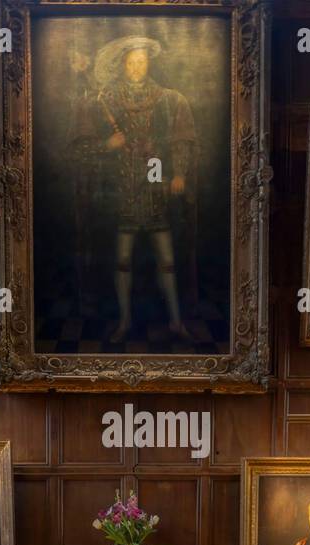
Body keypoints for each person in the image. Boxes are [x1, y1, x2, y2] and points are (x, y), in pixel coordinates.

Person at [76, 35, 197, 344]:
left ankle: (175, 321)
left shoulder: (168, 98)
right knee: (123, 259)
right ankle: (124, 320)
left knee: (167, 260)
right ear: (124, 65)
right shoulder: (108, 98)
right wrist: (109, 144)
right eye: (131, 62)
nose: (136, 67)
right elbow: (82, 148)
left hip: (156, 186)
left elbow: (181, 138)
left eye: (142, 62)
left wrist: (179, 173)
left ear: (149, 64)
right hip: (123, 186)